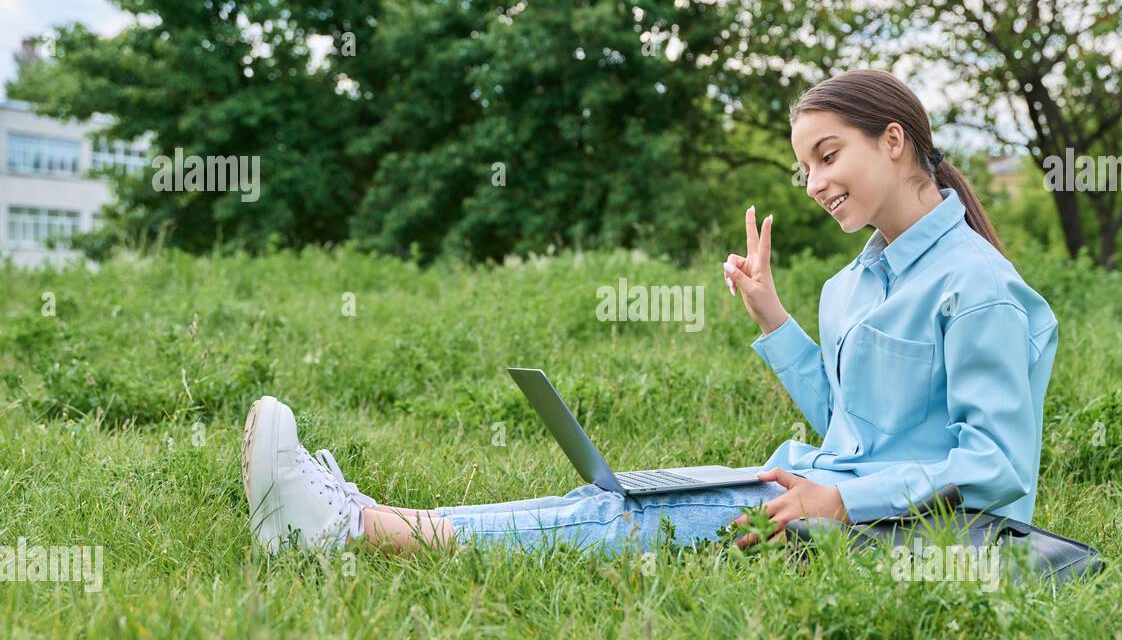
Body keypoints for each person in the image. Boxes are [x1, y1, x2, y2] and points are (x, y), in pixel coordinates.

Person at [241, 68, 1058, 558]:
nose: (812, 183)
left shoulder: (976, 286)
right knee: (611, 503)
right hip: (818, 490)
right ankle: (355, 517)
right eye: (802, 166)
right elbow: (852, 429)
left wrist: (841, 501)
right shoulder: (851, 284)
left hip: (909, 538)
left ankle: (353, 529)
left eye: (826, 155)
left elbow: (996, 469)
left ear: (892, 139)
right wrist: (774, 317)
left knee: (636, 520)